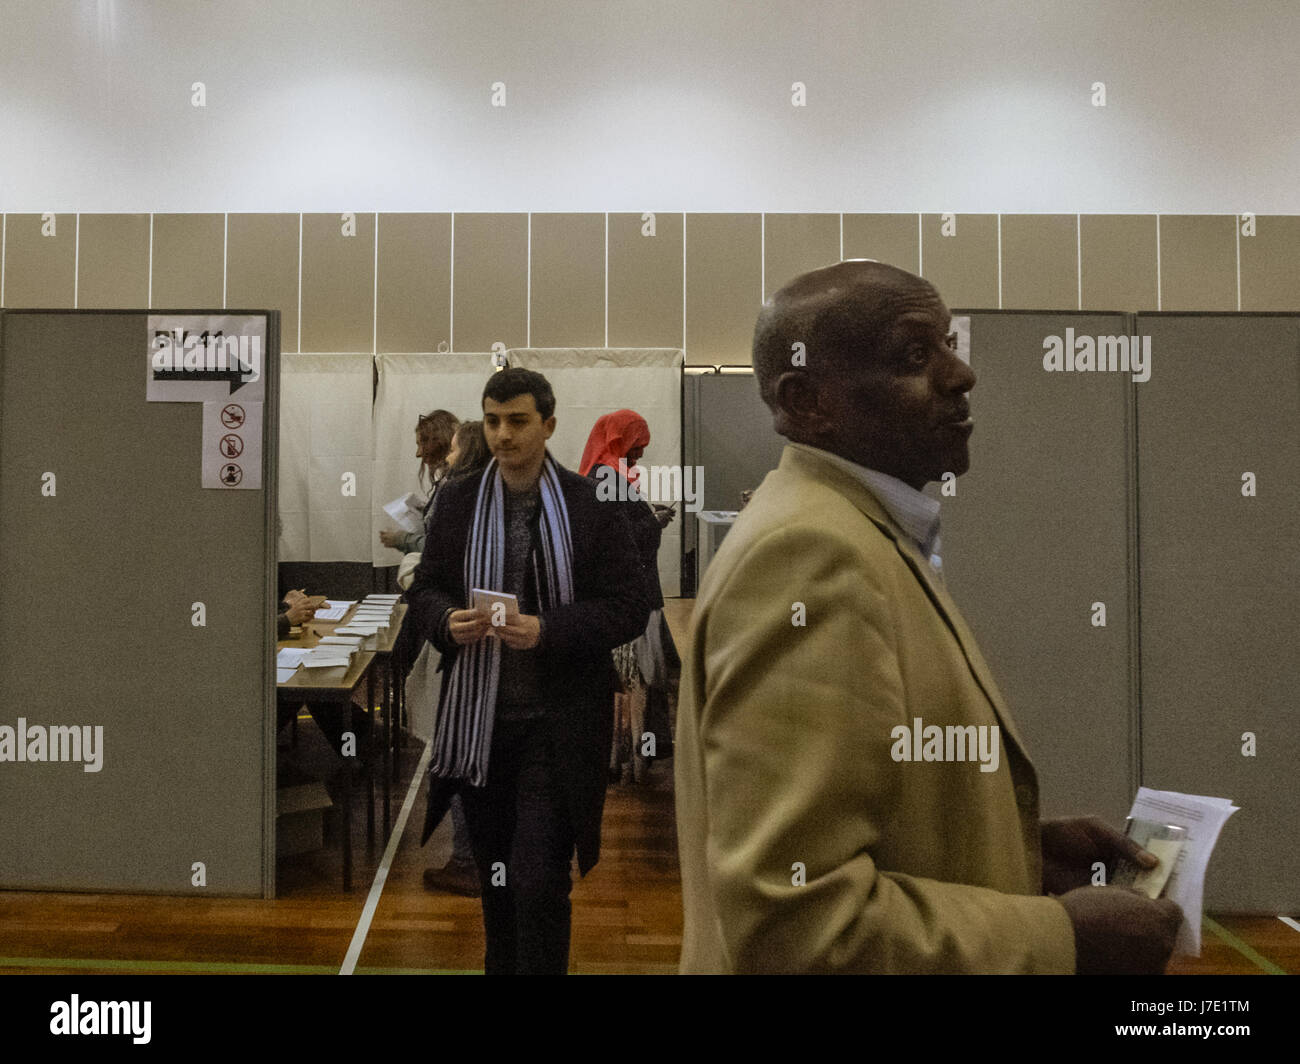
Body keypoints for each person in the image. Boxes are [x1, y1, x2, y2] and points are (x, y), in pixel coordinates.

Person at [674, 259, 1183, 974]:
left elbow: (862, 817)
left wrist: (1015, 850)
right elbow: (798, 921)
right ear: (808, 399)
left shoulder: (855, 530)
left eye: (950, 343)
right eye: (917, 355)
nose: (960, 375)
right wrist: (1060, 939)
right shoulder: (809, 554)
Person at [407, 368, 648, 974]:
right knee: (496, 882)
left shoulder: (586, 503)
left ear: (549, 424)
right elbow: (426, 588)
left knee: (540, 882)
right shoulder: (459, 501)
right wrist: (445, 620)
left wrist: (548, 629)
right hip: (480, 725)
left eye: (517, 421)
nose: (502, 434)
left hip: (557, 724)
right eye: (492, 421)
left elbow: (631, 605)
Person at [412, 418, 492, 898]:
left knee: (459, 754)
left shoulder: (458, 494)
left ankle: (468, 860)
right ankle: (477, 857)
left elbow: (429, 574)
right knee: (466, 755)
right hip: (463, 638)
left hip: (466, 651)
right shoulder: (472, 494)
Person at [578, 410, 677, 779]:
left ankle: (620, 761)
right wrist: (654, 522)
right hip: (628, 600)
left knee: (628, 685)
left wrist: (650, 520)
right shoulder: (609, 478)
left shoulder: (605, 475)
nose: (641, 455)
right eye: (637, 445)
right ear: (620, 441)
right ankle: (631, 763)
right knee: (637, 683)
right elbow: (621, 541)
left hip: (617, 597)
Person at [380, 409, 459, 556]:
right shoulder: (448, 483)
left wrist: (402, 540)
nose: (418, 453)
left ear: (441, 443)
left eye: (422, 445)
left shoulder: (456, 486)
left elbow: (442, 547)